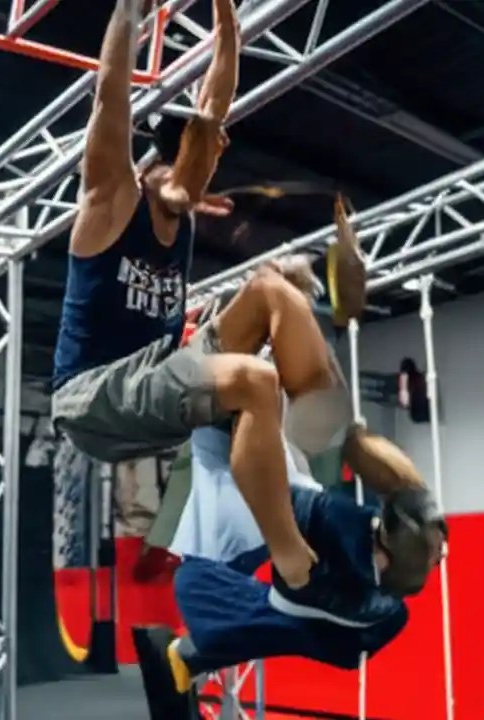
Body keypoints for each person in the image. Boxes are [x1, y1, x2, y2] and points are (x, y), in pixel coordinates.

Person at [51, 0, 365, 591]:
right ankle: (294, 564)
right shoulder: (111, 200)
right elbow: (109, 99)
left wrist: (225, 18)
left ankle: (312, 444)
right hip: (93, 398)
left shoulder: (187, 205)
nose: (220, 154)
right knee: (254, 379)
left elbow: (220, 86)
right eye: (211, 146)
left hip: (159, 379)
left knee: (274, 288)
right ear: (181, 151)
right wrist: (127, 13)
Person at [133, 422, 446, 718]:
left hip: (274, 521)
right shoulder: (380, 609)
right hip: (266, 540)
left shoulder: (330, 545)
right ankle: (187, 656)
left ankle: (187, 656)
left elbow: (261, 475)